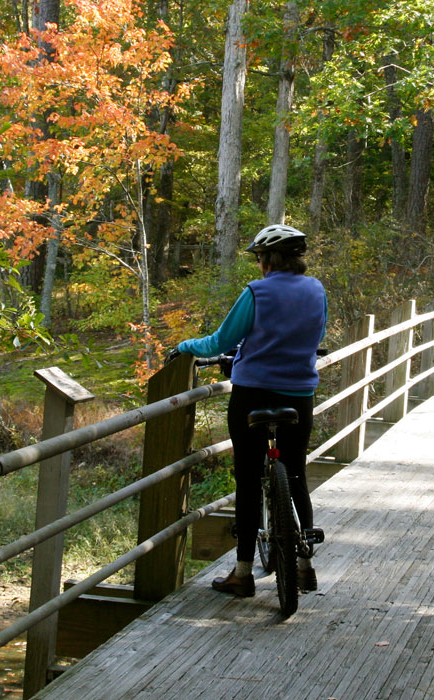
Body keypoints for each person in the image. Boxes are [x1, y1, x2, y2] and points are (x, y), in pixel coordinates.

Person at [173, 224, 327, 597]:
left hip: (253, 393)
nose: (258, 264)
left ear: (267, 259)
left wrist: (184, 345)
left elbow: (221, 341)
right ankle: (305, 566)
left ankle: (242, 573)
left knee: (247, 479)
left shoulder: (257, 292)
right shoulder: (316, 290)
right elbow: (316, 337)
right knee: (294, 475)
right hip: (299, 393)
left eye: (258, 257)